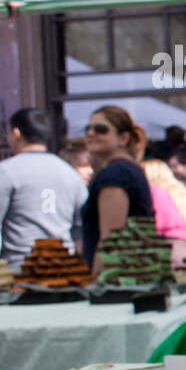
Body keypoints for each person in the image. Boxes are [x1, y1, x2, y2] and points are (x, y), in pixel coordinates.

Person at [0, 109, 88, 266]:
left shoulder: (7, 171)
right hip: (64, 268)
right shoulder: (69, 172)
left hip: (20, 270)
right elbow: (81, 226)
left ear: (16, 133)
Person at [81, 106, 154, 269]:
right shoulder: (130, 170)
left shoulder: (115, 174)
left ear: (123, 138)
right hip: (134, 275)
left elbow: (110, 242)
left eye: (101, 129)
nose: (91, 133)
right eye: (88, 128)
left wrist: (96, 284)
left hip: (116, 283)